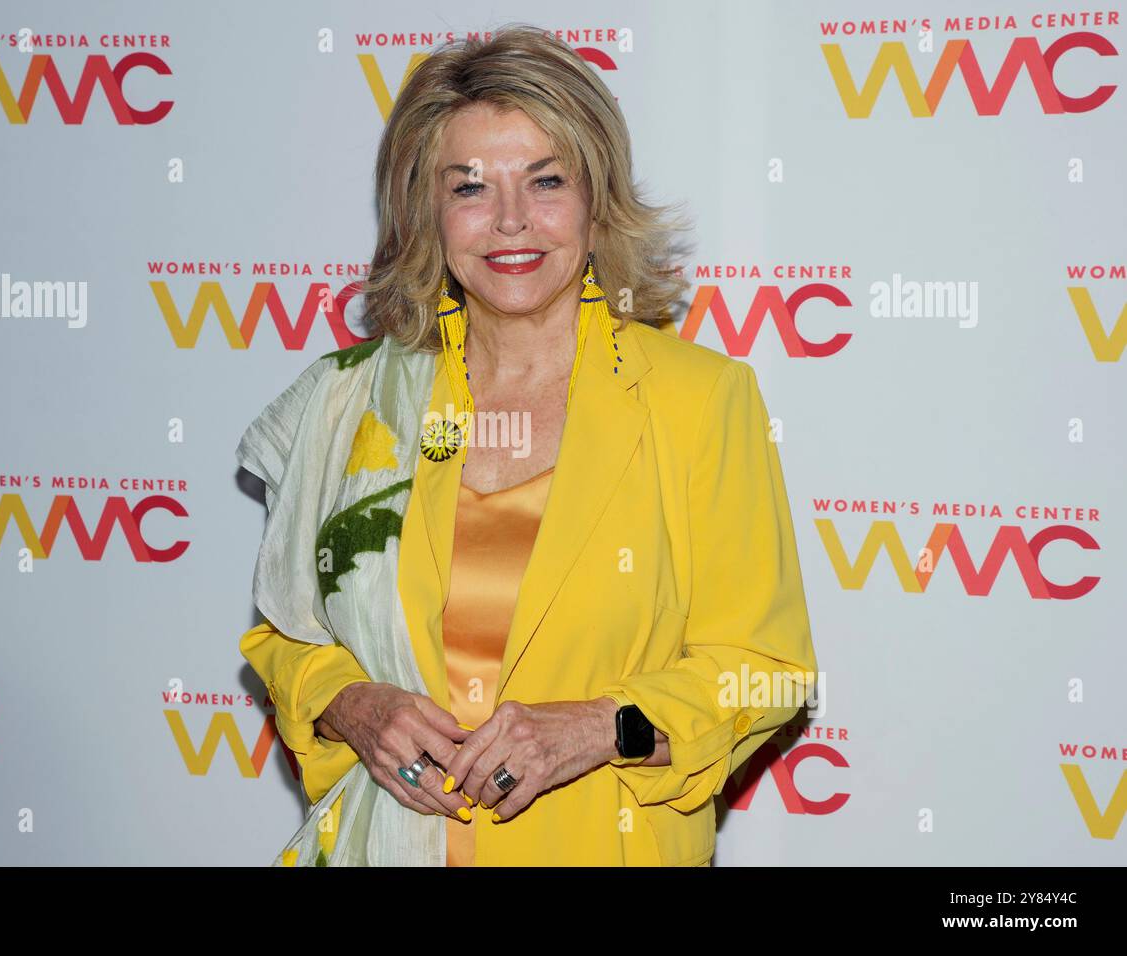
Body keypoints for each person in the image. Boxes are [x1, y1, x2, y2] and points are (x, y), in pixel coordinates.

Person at [236, 24, 817, 866]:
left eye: (546, 181)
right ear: (425, 211)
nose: (511, 221)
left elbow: (765, 669)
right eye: (469, 187)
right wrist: (349, 703)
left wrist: (599, 727)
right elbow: (287, 635)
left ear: (596, 199)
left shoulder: (699, 399)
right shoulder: (351, 402)